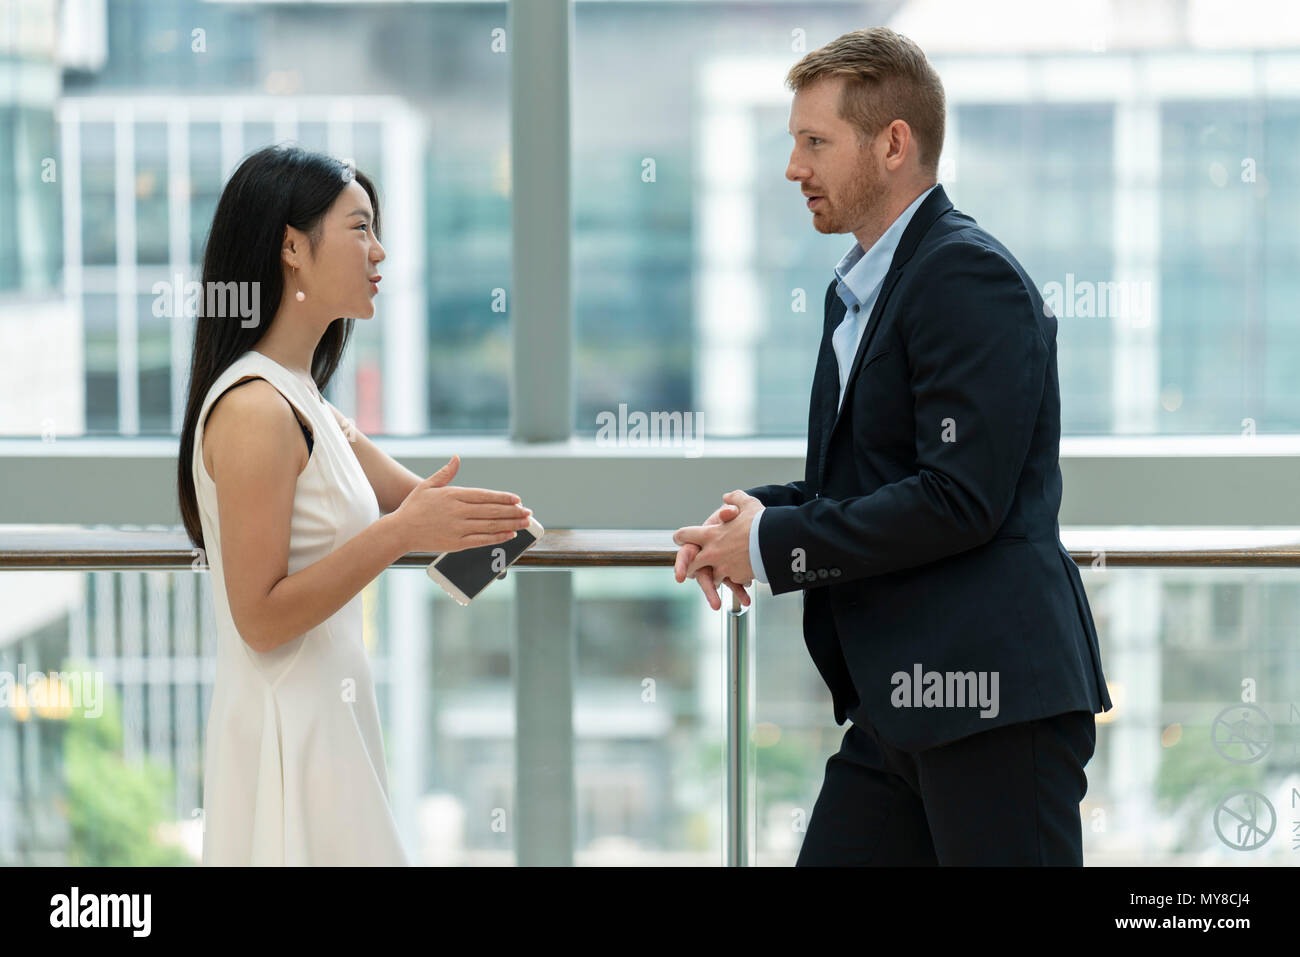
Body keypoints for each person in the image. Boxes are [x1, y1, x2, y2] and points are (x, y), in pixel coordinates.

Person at [672, 28, 1112, 865]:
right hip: (901, 705)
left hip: (990, 704)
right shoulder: (869, 288)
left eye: (814, 142)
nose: (794, 168)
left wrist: (771, 545)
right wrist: (764, 514)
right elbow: (878, 475)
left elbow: (958, 497)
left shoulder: (964, 276)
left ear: (893, 144)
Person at [176, 144, 533, 865]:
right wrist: (402, 535)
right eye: (359, 227)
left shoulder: (305, 400)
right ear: (291, 248)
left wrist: (503, 525)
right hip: (290, 732)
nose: (380, 251)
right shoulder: (255, 410)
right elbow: (261, 618)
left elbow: (422, 504)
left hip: (328, 724)